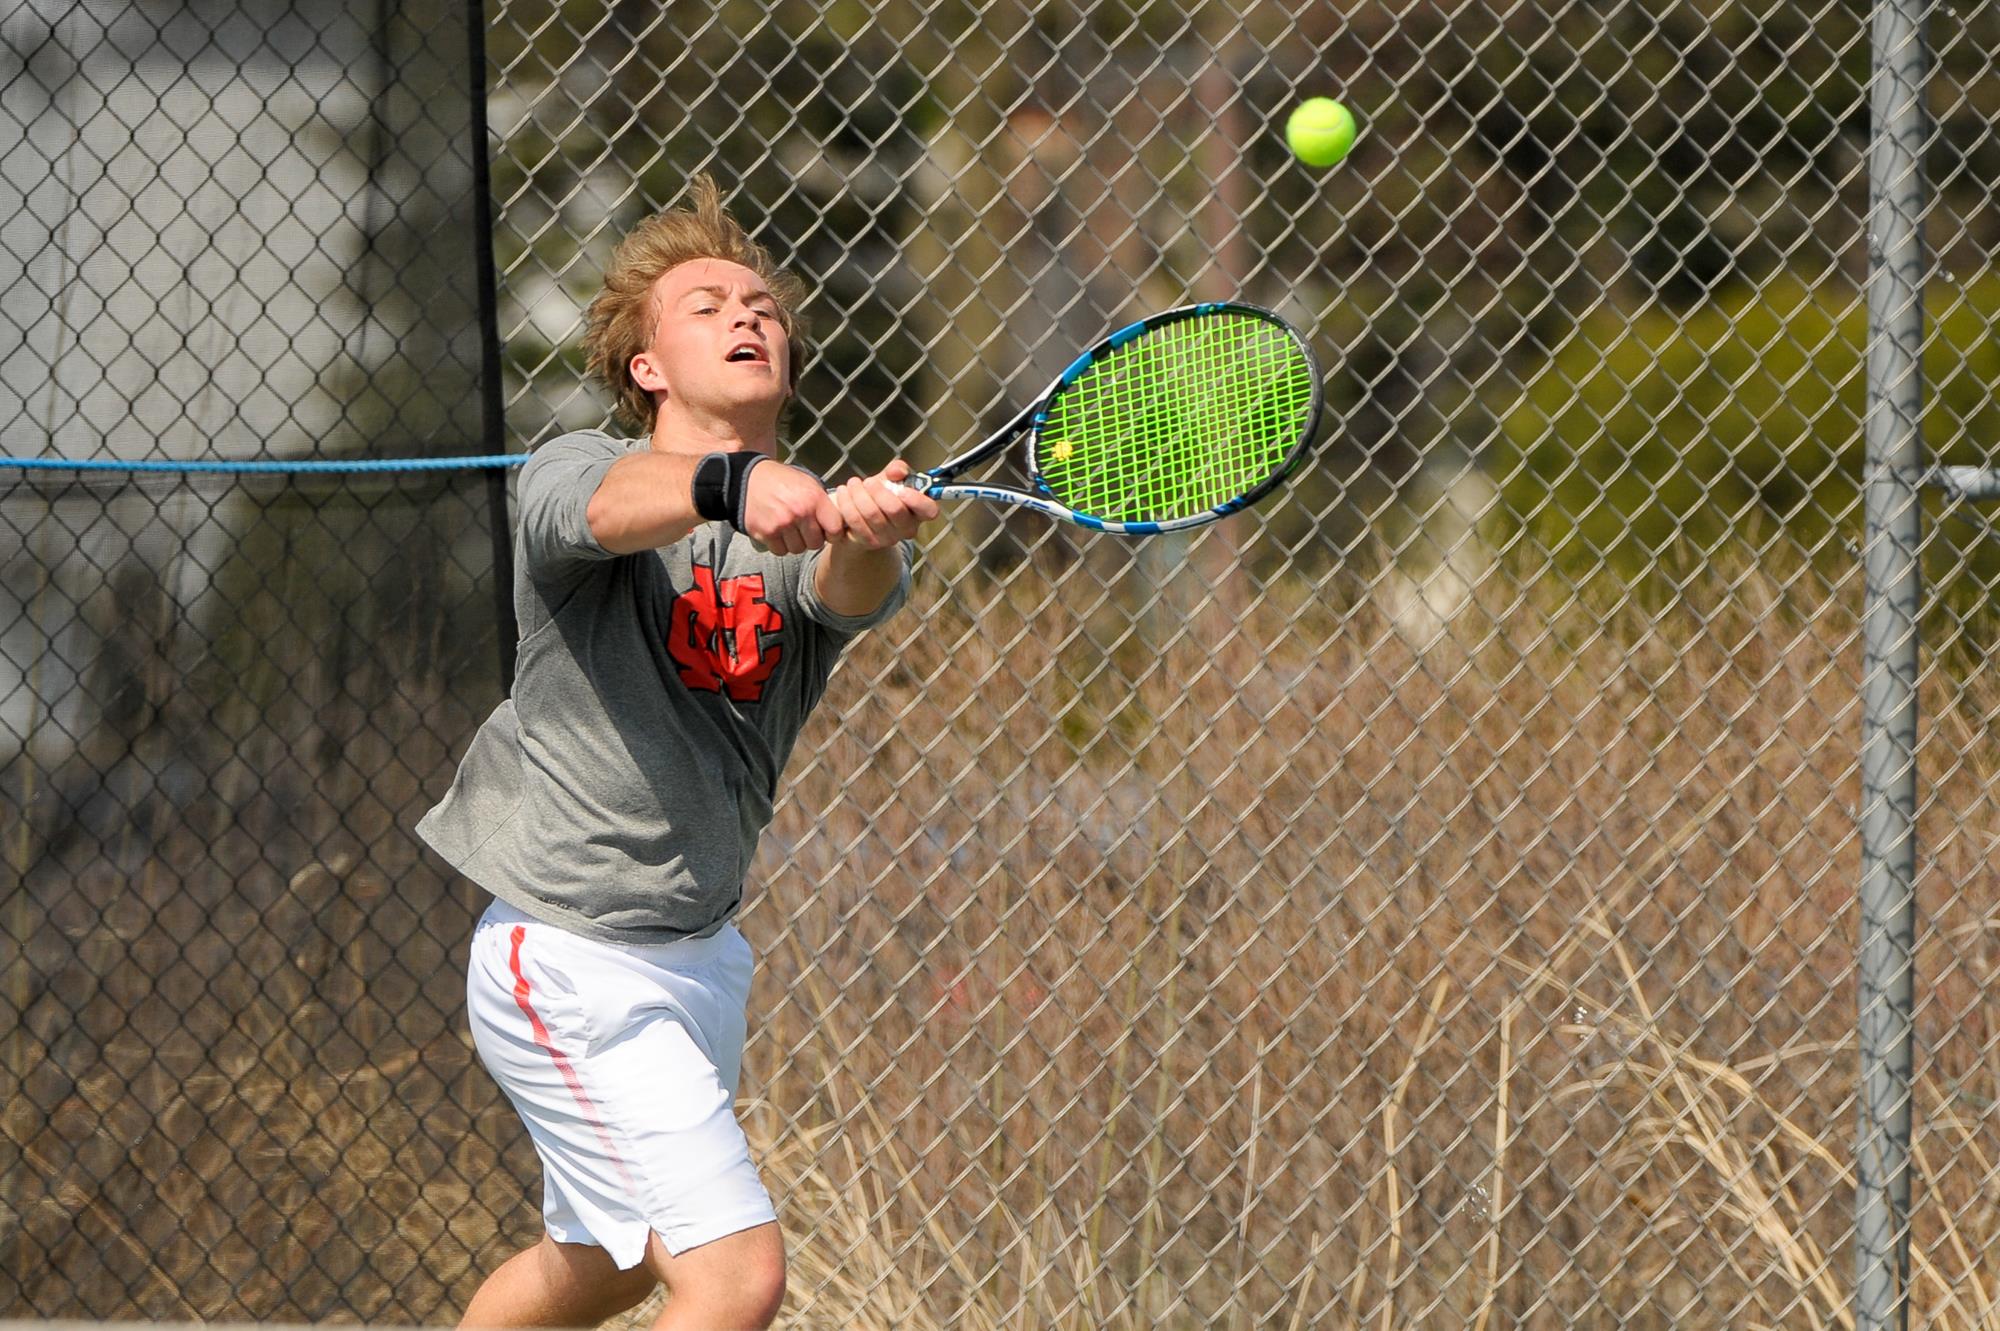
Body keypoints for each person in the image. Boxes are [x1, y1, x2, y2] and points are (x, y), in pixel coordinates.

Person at [418, 174, 937, 1330]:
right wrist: (734, 483)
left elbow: (851, 588)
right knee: (733, 1276)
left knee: (601, 1263)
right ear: (646, 366)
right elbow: (605, 509)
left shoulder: (799, 539)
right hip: (567, 953)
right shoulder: (574, 468)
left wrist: (867, 532)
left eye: (762, 304)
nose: (747, 314)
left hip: (699, 956)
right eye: (705, 305)